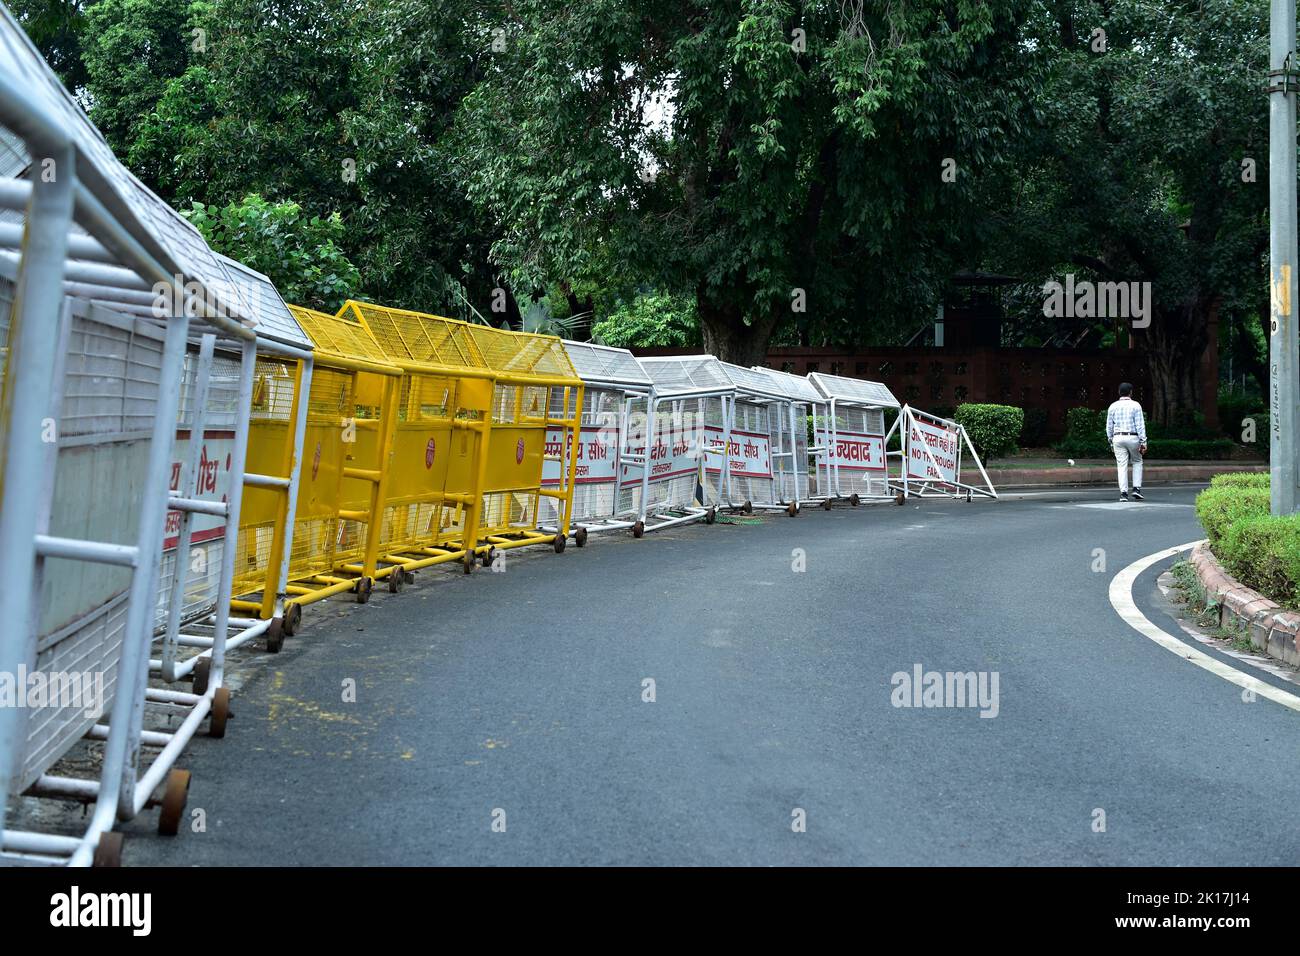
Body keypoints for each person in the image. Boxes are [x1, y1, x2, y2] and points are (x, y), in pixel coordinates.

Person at [1105, 382, 1147, 501]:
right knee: (1137, 461)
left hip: (1117, 438)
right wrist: (1143, 442)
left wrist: (1111, 441)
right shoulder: (1136, 405)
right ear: (1131, 392)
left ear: (1119, 392)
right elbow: (1140, 425)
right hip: (1133, 437)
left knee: (1121, 465)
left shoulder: (1112, 406)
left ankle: (1123, 494)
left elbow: (1109, 426)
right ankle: (1136, 489)